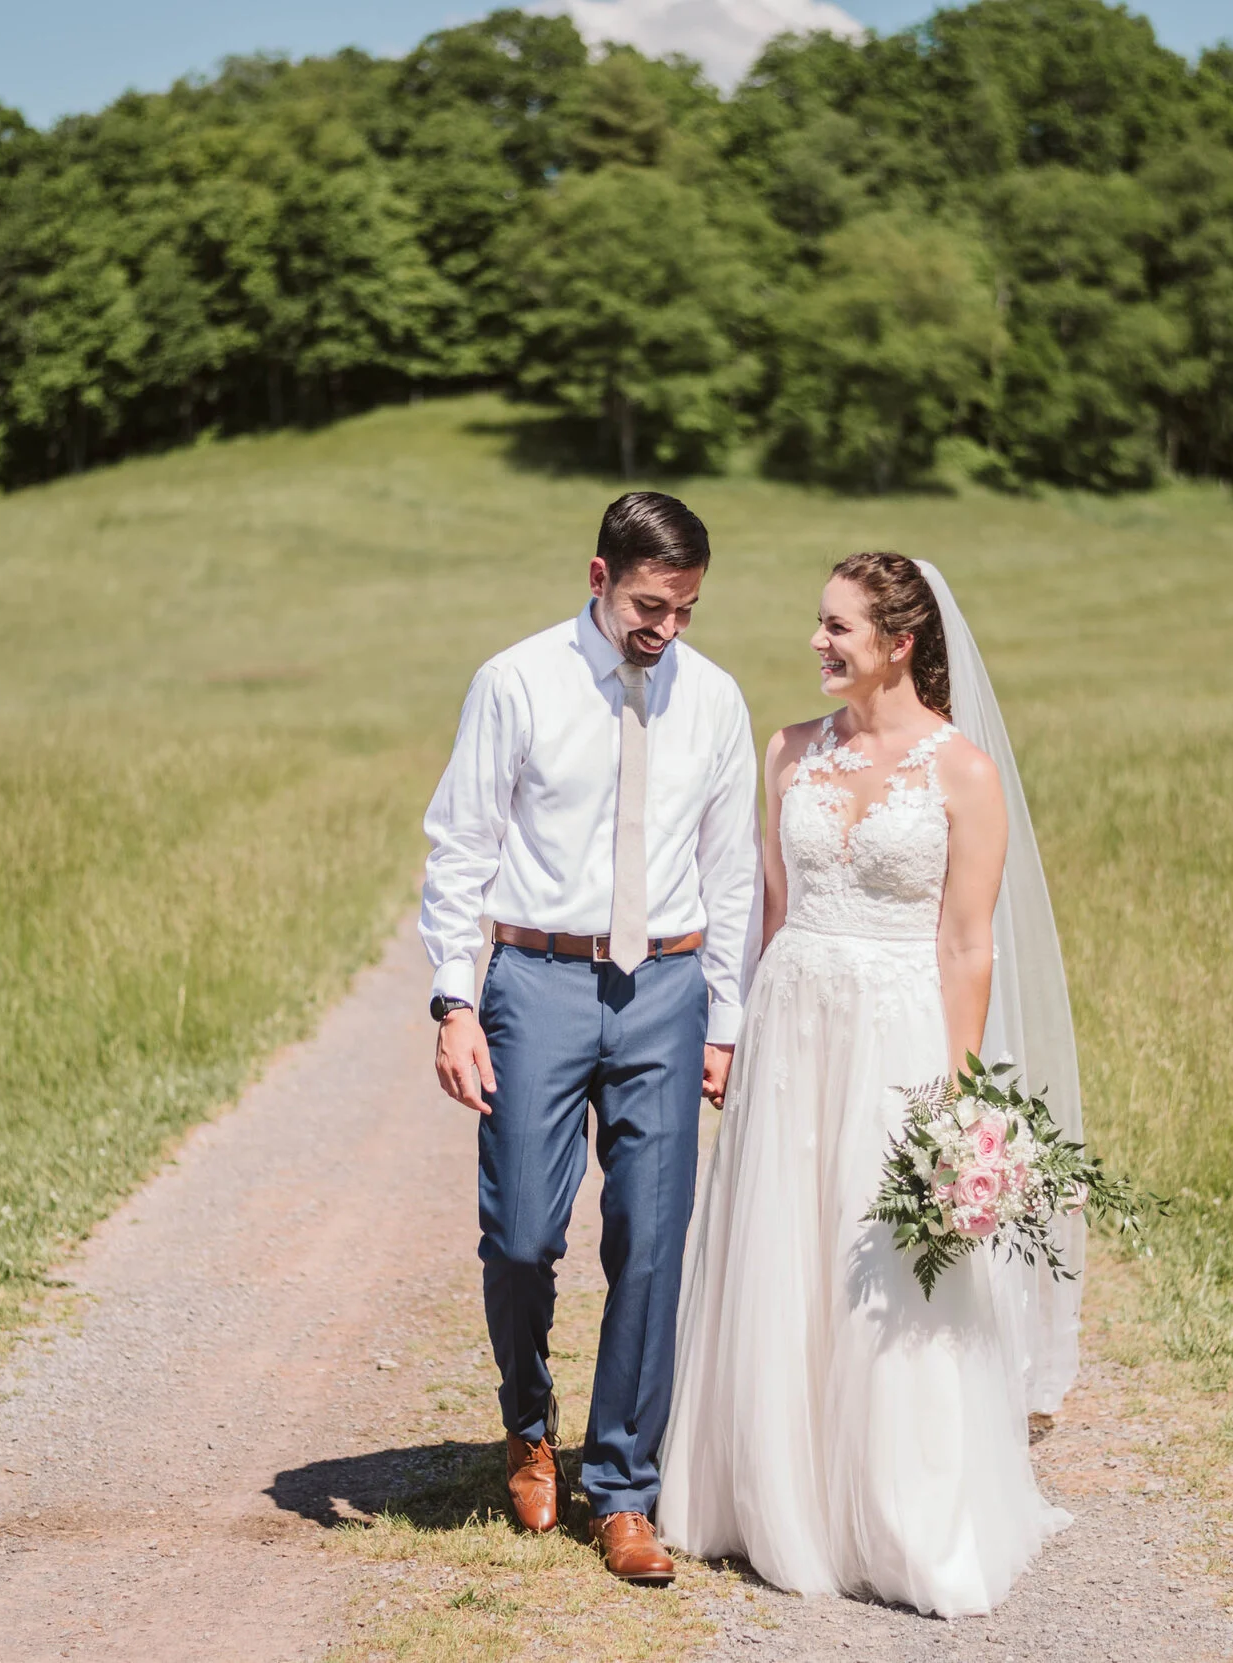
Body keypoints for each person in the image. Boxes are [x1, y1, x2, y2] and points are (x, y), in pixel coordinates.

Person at [659, 551, 1081, 1616]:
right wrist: (733, 1033)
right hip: (792, 1028)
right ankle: (769, 1494)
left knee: (885, 1267)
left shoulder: (962, 772)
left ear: (899, 643)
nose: (817, 640)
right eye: (819, 621)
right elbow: (766, 908)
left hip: (898, 1036)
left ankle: (903, 1513)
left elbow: (968, 945)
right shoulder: (787, 751)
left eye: (838, 626)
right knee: (780, 1250)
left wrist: (960, 1097)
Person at [420, 491, 759, 1585]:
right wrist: (454, 1001)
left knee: (651, 1242)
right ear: (600, 576)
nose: (667, 627)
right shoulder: (515, 681)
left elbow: (732, 872)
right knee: (522, 1232)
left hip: (668, 987)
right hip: (538, 978)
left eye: (687, 609)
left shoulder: (715, 699)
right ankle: (528, 1423)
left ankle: (622, 1488)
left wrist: (724, 1018)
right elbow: (460, 845)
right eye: (652, 605)